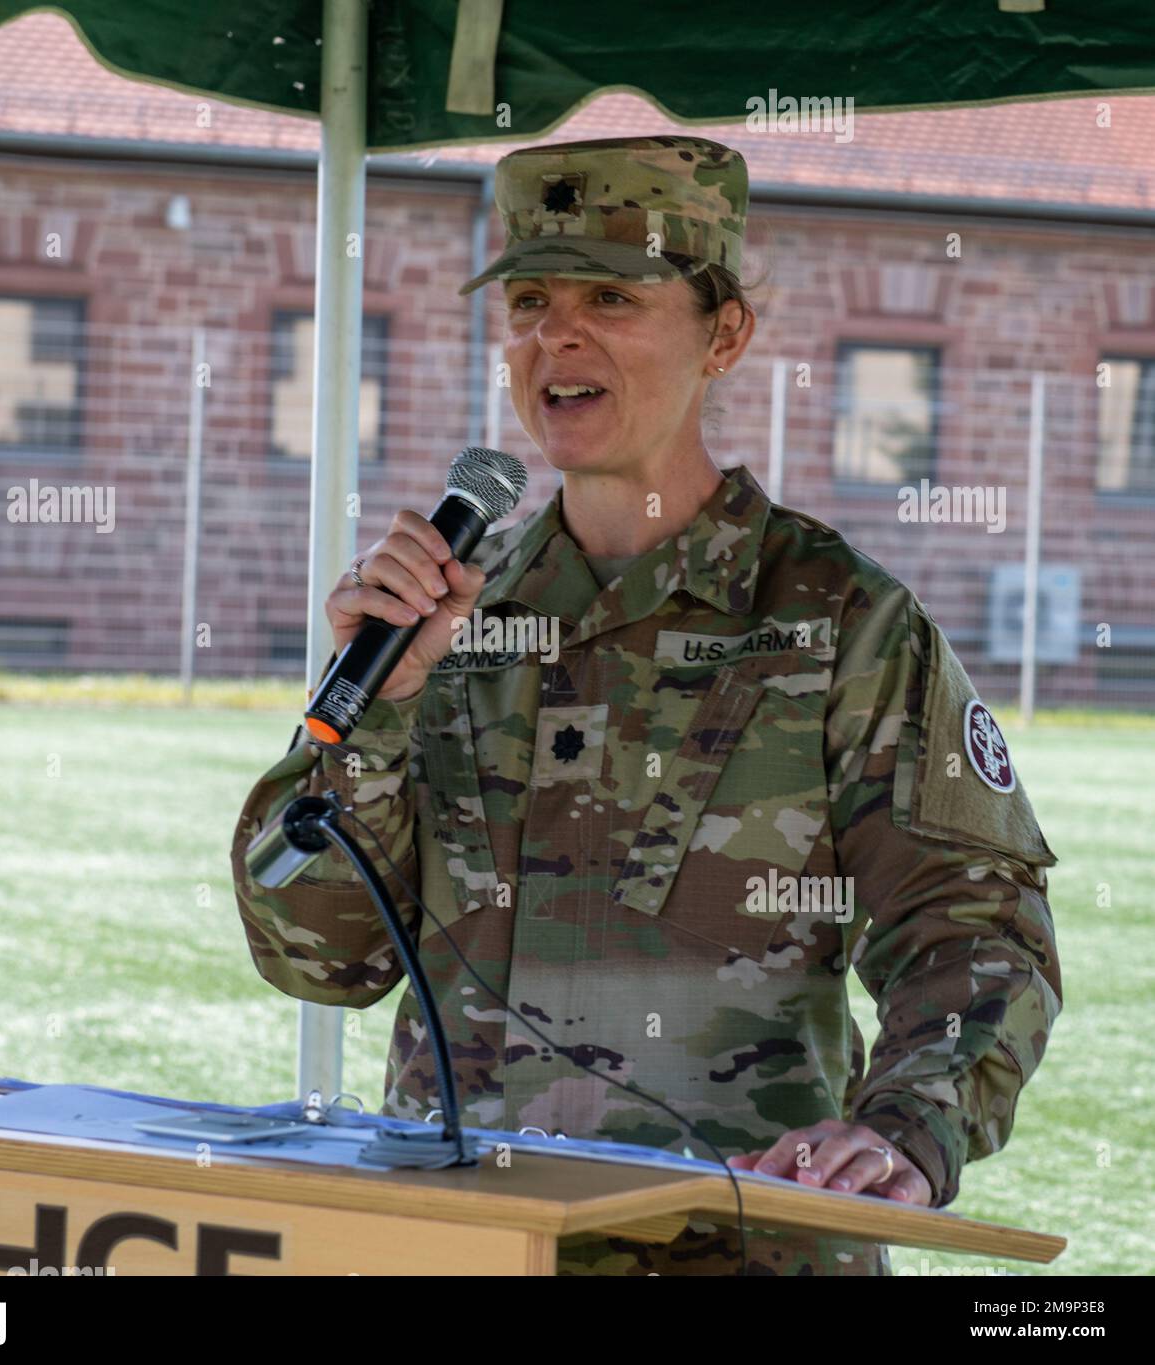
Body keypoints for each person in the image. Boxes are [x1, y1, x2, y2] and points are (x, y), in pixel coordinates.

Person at [230, 135, 1062, 1276]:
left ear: (724, 335)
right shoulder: (442, 624)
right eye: (528, 300)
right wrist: (380, 707)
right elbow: (320, 956)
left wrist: (907, 1127)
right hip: (464, 1247)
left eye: (610, 297)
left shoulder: (838, 624)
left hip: (733, 1251)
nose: (553, 336)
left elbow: (977, 925)